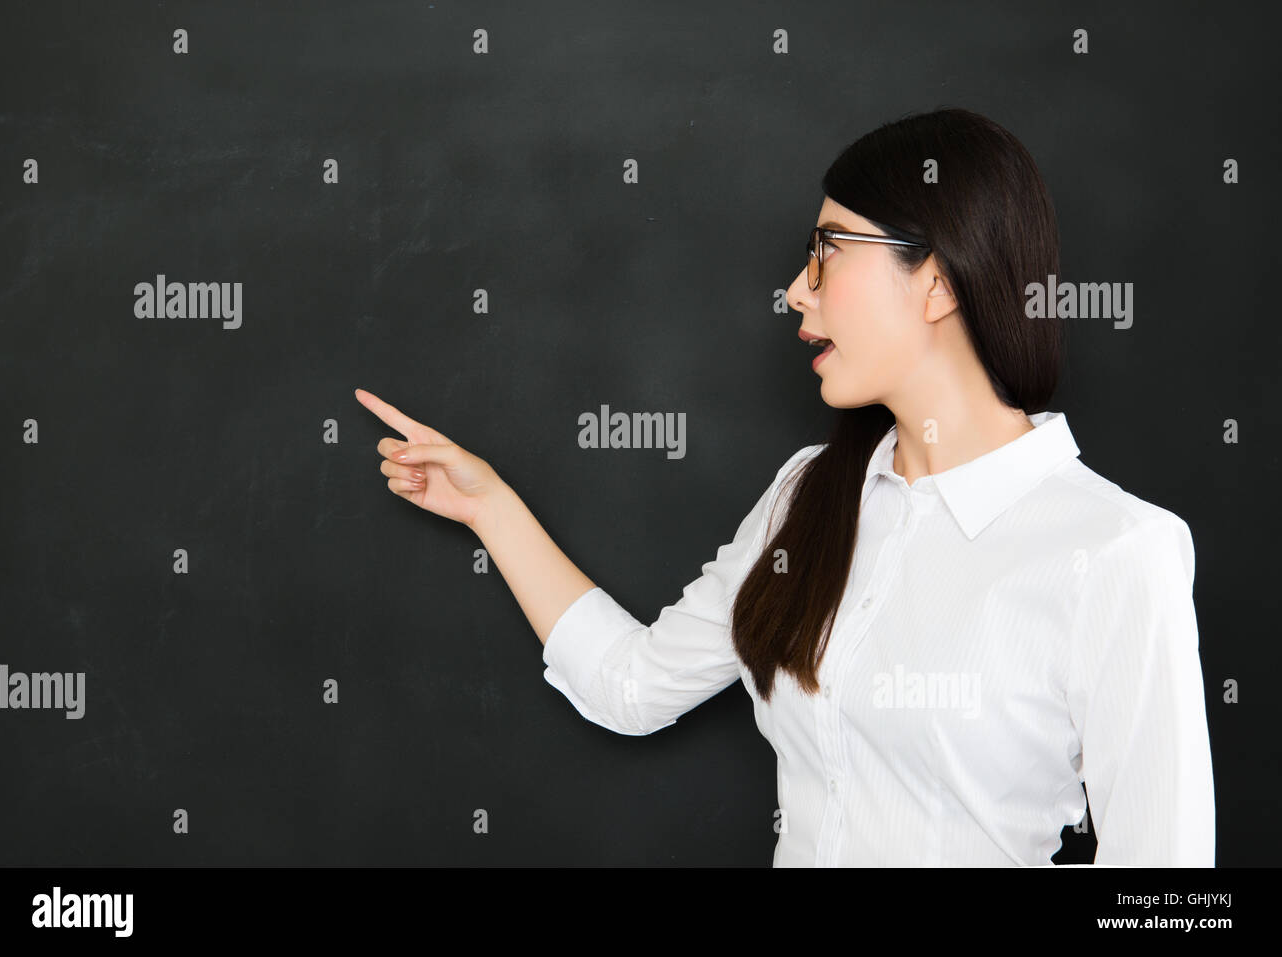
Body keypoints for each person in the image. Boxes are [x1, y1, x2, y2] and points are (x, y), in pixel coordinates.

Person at [354, 106, 1215, 867]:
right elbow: (632, 686)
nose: (796, 290)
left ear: (941, 282)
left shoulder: (1115, 551)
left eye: (827, 252)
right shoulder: (810, 492)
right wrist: (489, 505)